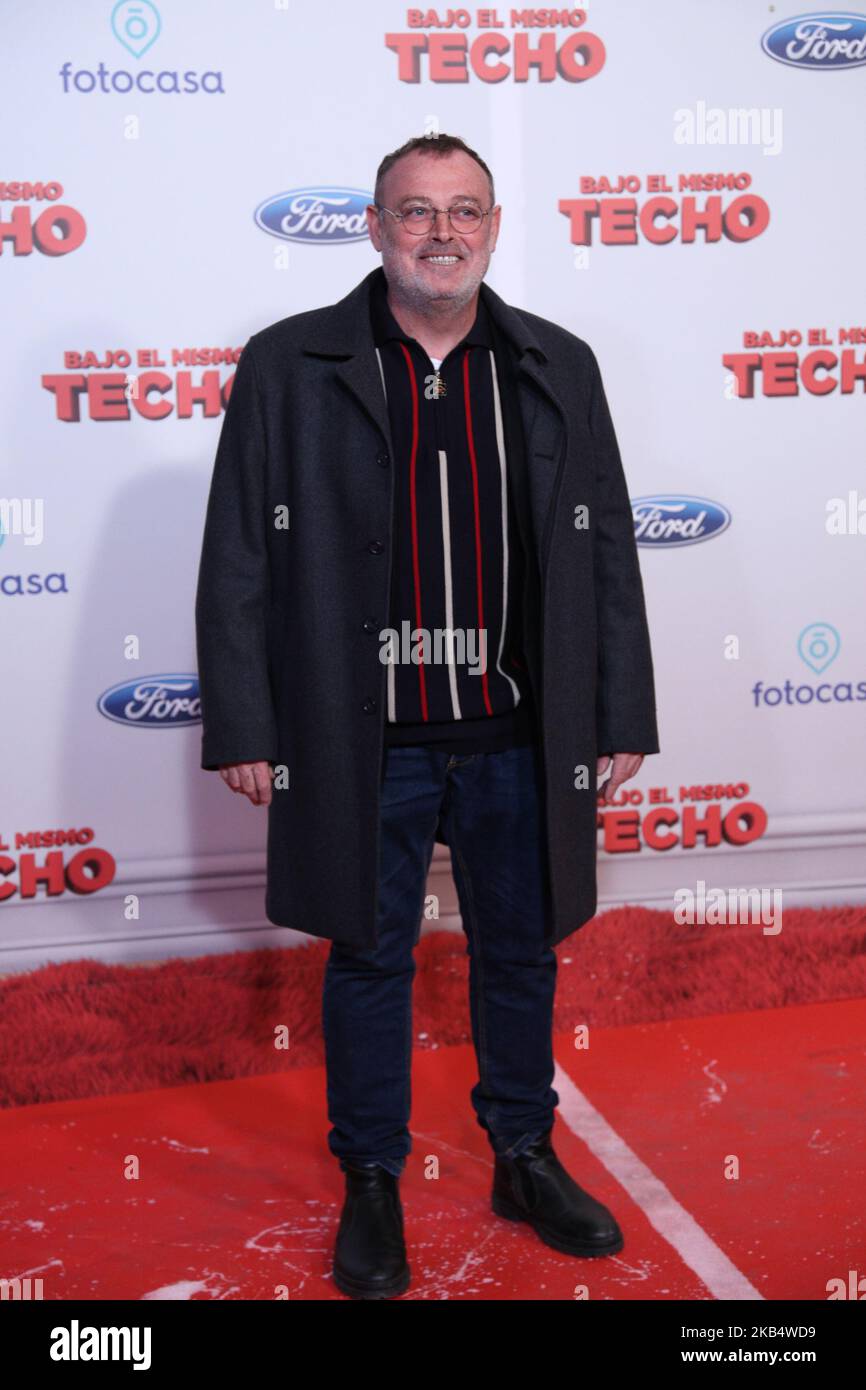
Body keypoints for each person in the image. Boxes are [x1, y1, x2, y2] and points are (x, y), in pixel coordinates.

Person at [195, 133, 659, 1300]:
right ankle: (370, 1178)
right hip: (360, 734)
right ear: (374, 227)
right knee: (367, 954)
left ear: (494, 229)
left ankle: (520, 1154)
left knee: (520, 947)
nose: (439, 232)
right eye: (415, 211)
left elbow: (604, 547)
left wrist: (618, 705)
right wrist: (246, 723)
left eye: (463, 211)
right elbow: (240, 555)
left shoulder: (556, 363)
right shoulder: (290, 364)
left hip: (517, 727)